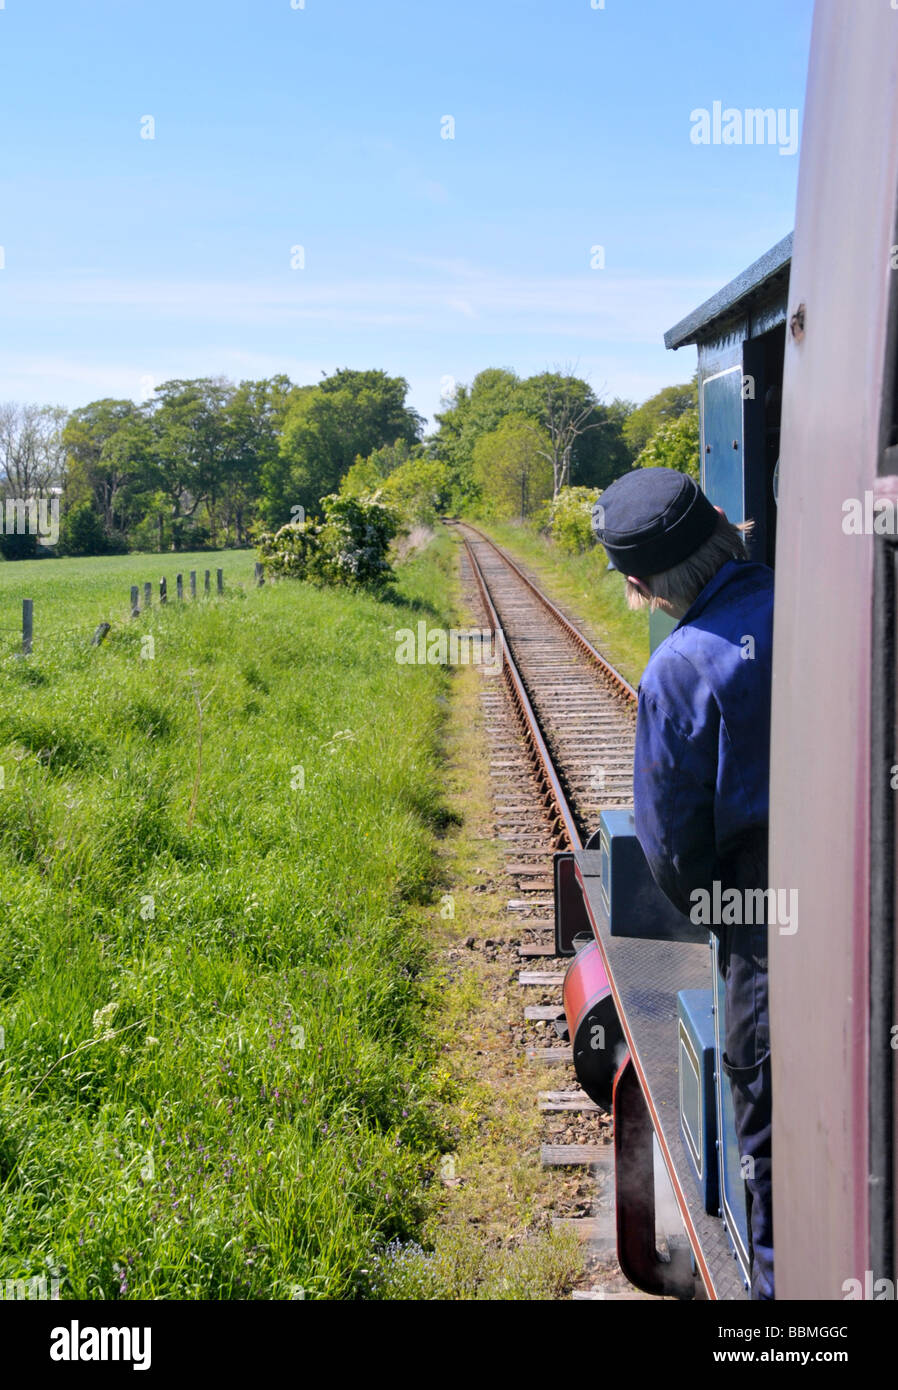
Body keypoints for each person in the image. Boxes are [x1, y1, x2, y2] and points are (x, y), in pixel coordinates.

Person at [592, 467, 775, 1302]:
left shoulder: (681, 668)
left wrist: (718, 913)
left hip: (767, 935)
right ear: (724, 531)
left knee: (769, 1143)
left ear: (640, 586)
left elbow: (672, 855)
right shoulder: (822, 603)